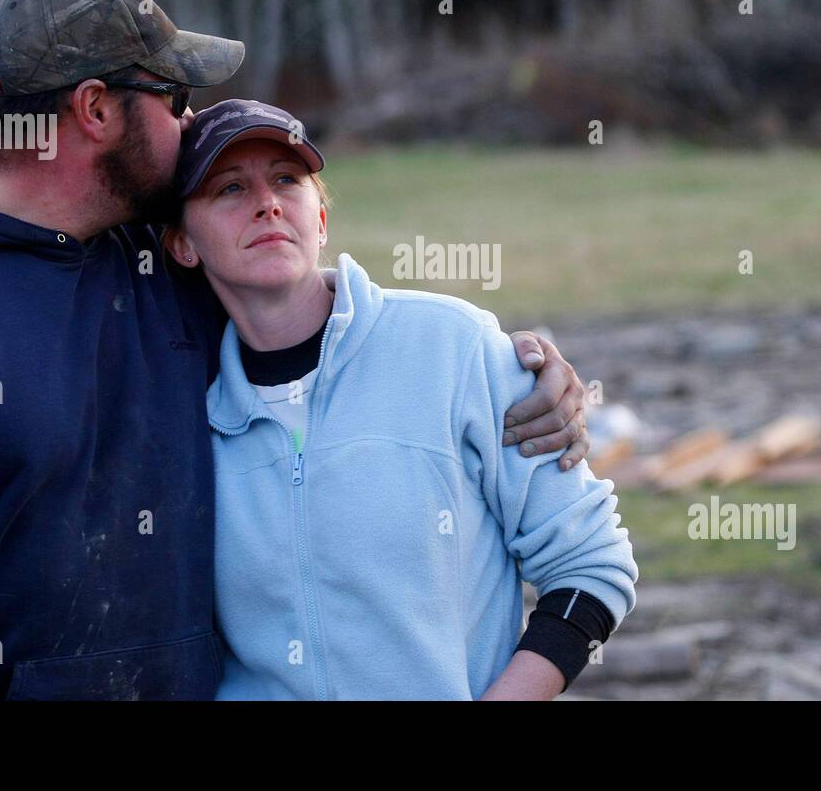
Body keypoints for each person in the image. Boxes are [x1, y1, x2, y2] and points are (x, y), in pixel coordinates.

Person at [0, 0, 591, 700]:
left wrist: (523, 365)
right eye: (175, 100)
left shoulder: (161, 269)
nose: (191, 122)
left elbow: (320, 312)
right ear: (97, 109)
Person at [163, 100, 638, 700]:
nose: (268, 202)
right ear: (182, 244)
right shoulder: (180, 405)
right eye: (229, 188)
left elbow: (591, 566)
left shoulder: (454, 349)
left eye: (288, 178)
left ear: (322, 219)